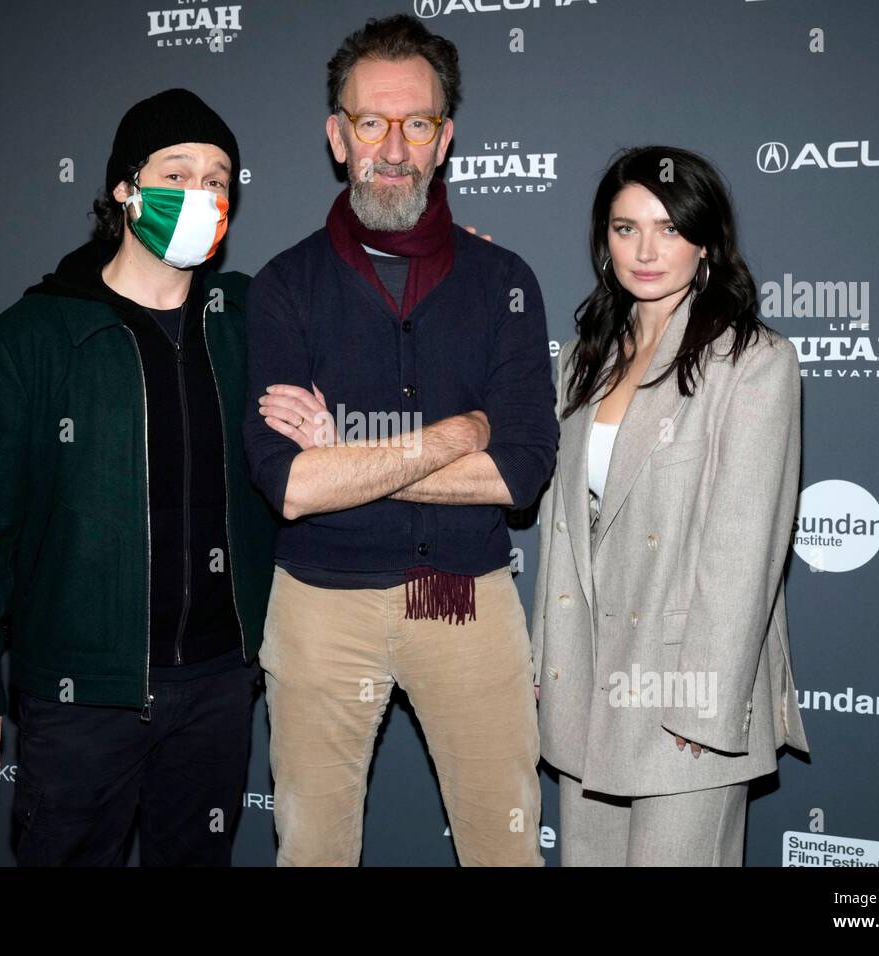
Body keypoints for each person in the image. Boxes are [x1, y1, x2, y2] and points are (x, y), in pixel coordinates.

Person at [242, 14, 558, 867]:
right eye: (371, 122)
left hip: (464, 599)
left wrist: (351, 455)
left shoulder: (506, 284)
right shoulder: (282, 288)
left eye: (415, 123)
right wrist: (456, 435)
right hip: (320, 607)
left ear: (444, 138)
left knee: (506, 848)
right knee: (312, 852)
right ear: (337, 137)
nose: (393, 146)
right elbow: (292, 486)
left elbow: (522, 471)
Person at [0, 89, 277, 866]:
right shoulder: (36, 336)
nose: (201, 195)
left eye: (218, 180)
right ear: (125, 189)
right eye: (178, 172)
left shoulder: (251, 317)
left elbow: (362, 318)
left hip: (222, 684)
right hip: (82, 692)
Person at [531, 145, 810, 866]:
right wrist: (547, 663)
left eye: (669, 228)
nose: (646, 250)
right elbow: (564, 533)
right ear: (604, 242)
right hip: (590, 680)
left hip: (682, 688)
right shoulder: (583, 360)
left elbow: (745, 549)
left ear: (707, 240)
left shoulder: (753, 361)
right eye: (626, 229)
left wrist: (705, 703)